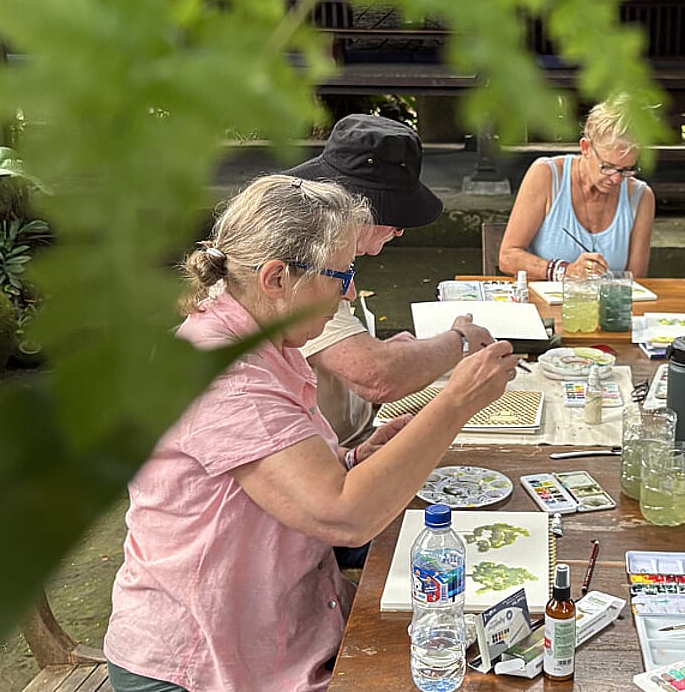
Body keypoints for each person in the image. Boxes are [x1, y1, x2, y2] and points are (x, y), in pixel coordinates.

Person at [103, 175, 519, 692]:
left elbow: (281, 484)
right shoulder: (225, 375)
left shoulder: (266, 340)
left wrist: (353, 460)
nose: (349, 292)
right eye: (340, 275)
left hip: (283, 636)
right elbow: (344, 517)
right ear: (276, 278)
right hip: (202, 667)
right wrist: (456, 401)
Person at [287, 114, 494, 449]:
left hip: (346, 443)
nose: (400, 230)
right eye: (394, 217)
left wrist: (381, 350)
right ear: (354, 210)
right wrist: (460, 341)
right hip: (321, 458)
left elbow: (359, 365)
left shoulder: (323, 245)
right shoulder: (302, 261)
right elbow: (377, 377)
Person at [498, 94, 656, 281]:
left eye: (626, 169)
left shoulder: (640, 196)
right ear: (585, 148)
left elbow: (636, 280)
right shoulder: (546, 175)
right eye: (607, 166)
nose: (616, 178)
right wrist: (565, 271)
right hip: (544, 305)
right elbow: (508, 257)